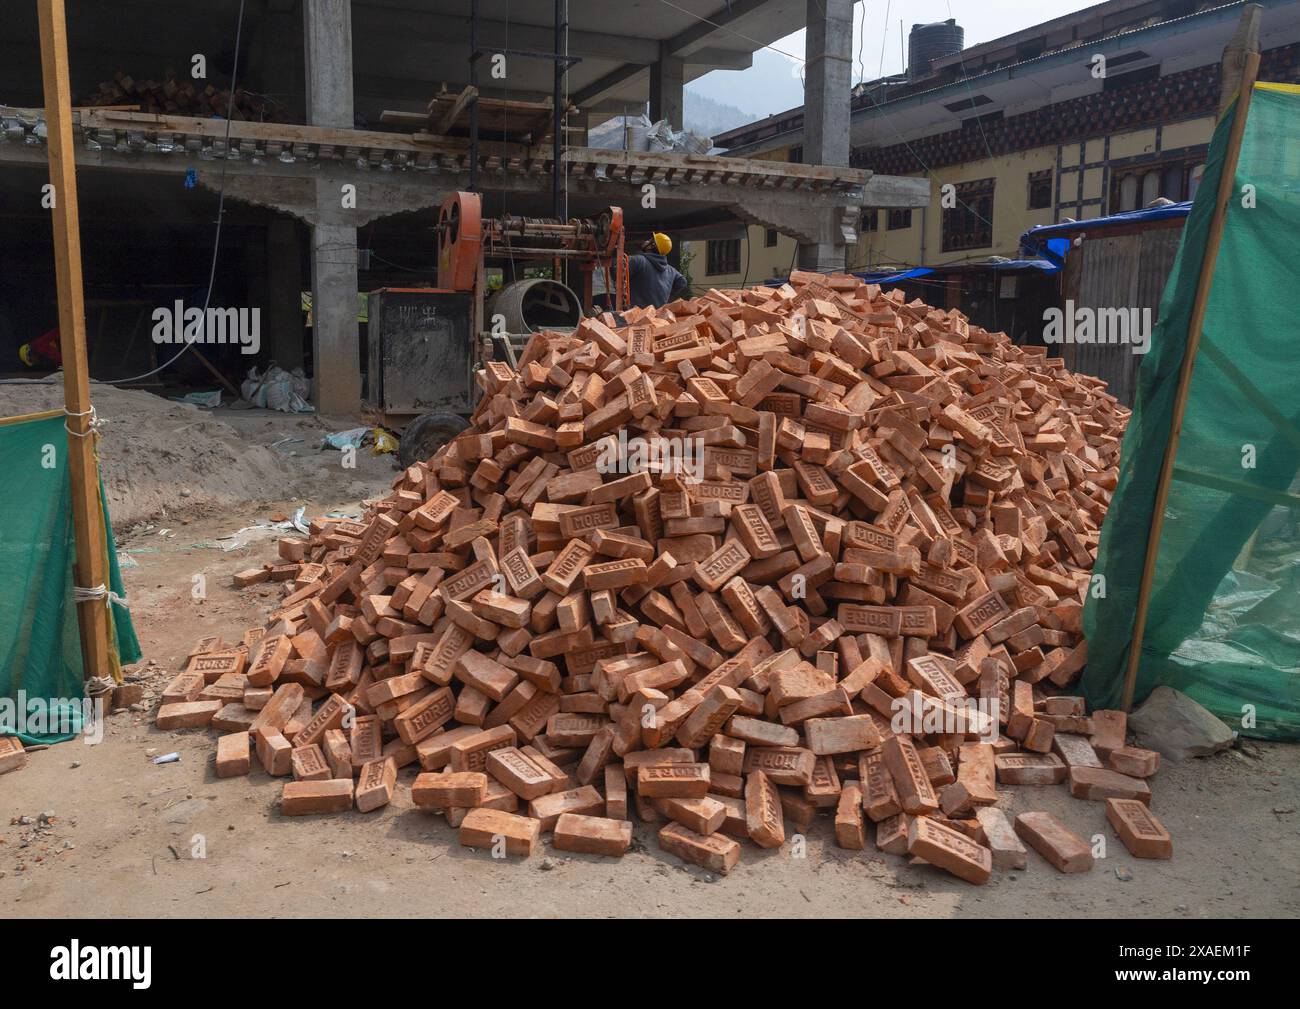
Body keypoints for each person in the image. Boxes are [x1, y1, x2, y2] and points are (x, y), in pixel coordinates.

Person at [627, 232, 687, 309]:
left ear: (651, 246)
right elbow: (683, 282)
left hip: (635, 316)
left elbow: (615, 274)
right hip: (657, 316)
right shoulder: (671, 270)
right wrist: (665, 293)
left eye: (649, 240)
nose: (646, 241)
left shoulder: (638, 260)